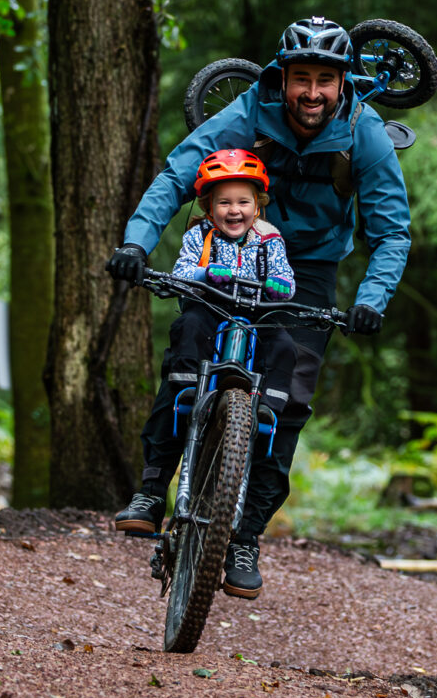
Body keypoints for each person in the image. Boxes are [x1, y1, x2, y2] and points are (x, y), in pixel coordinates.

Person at [106, 16, 410, 599]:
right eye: (302, 78)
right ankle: (151, 488)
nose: (313, 93)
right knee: (187, 359)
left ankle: (243, 536)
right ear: (283, 76)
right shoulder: (249, 110)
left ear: (343, 82)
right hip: (230, 254)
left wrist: (371, 300)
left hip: (310, 273)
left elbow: (391, 231)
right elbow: (177, 174)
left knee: (285, 401)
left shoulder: (363, 131)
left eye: (326, 79)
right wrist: (135, 244)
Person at [112, 149, 298, 592]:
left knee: (285, 347)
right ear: (209, 207)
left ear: (259, 205)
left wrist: (278, 286)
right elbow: (180, 272)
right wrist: (203, 274)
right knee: (189, 326)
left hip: (258, 317)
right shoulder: (200, 236)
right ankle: (153, 486)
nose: (234, 211)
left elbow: (286, 280)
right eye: (223, 203)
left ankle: (265, 410)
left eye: (243, 202)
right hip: (210, 312)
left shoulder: (270, 239)